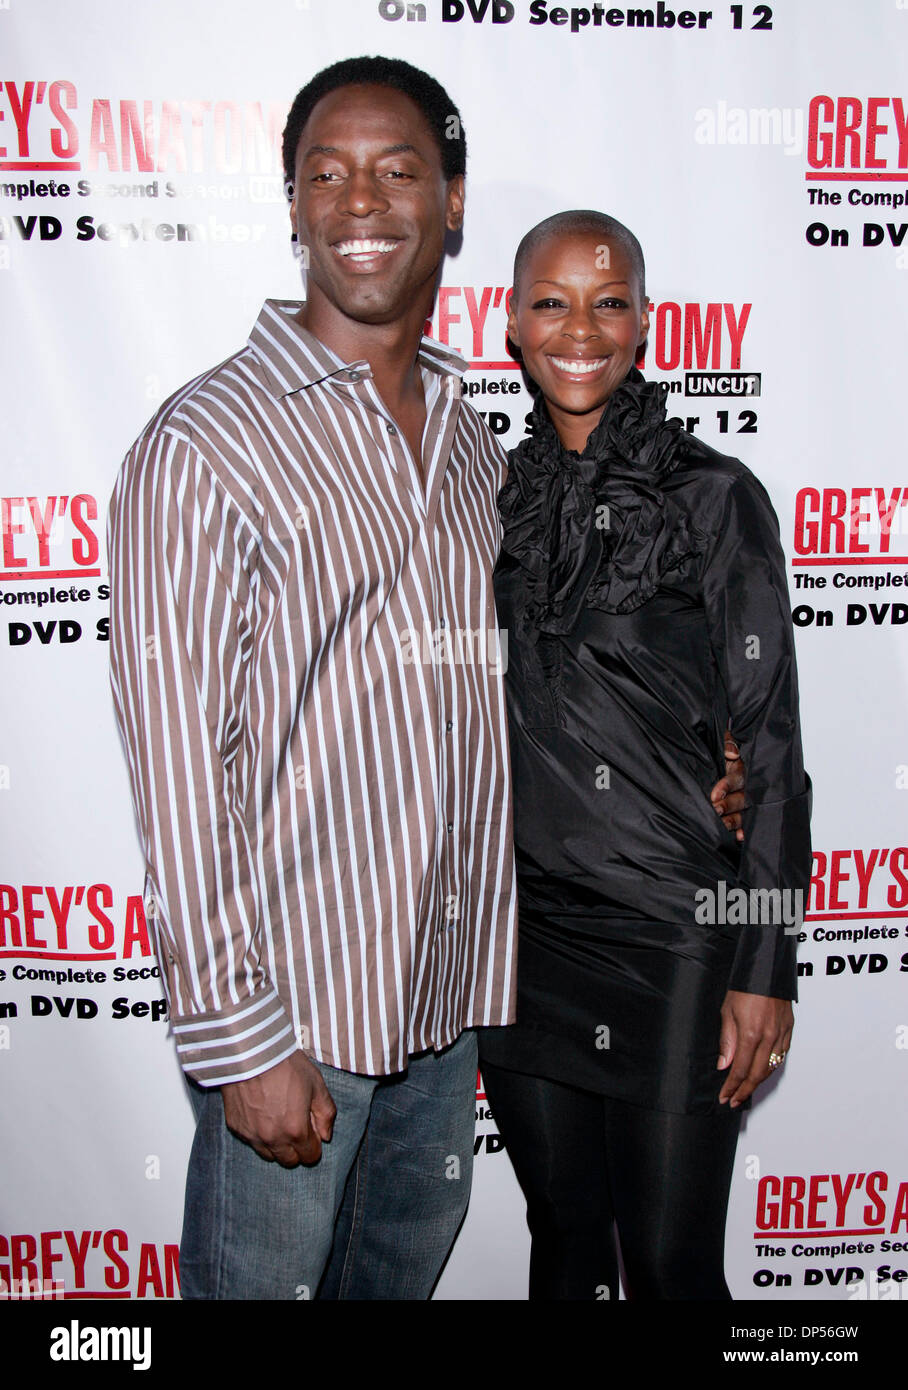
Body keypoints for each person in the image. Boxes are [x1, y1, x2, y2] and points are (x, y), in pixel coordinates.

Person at [107, 56, 747, 1301]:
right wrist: (243, 1042)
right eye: (326, 174)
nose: (363, 202)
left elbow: (534, 678)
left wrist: (690, 770)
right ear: (288, 206)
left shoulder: (472, 446)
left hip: (453, 1013)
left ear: (450, 203)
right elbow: (179, 771)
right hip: (298, 1021)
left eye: (399, 170)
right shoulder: (203, 442)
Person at [477, 210, 811, 1301]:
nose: (579, 326)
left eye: (607, 301)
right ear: (511, 325)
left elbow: (767, 744)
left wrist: (762, 969)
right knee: (563, 1240)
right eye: (550, 300)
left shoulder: (711, 498)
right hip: (524, 932)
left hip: (675, 933)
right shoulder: (486, 503)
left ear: (643, 326)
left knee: (668, 1266)